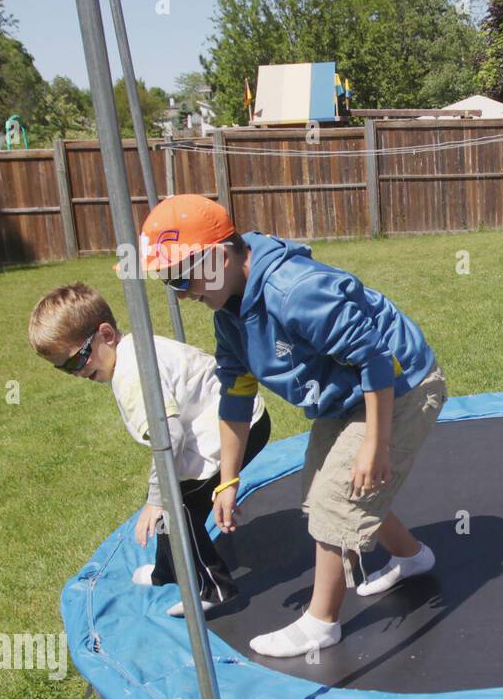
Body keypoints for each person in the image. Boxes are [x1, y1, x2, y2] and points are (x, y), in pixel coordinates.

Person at [138, 194, 446, 658]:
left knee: (338, 498)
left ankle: (321, 624)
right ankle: (411, 556)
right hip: (346, 397)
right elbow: (236, 396)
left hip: (402, 386)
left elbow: (374, 358)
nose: (180, 293)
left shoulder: (294, 290)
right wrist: (227, 480)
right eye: (168, 281)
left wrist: (376, 444)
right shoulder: (230, 314)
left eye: (181, 277)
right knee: (322, 490)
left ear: (218, 257)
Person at [28, 282, 269, 615]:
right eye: (64, 369)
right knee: (167, 496)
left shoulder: (132, 375)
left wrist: (158, 500)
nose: (77, 372)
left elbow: (169, 437)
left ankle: (216, 587)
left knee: (176, 507)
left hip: (237, 426)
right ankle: (168, 569)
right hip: (221, 421)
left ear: (106, 334)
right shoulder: (130, 351)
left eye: (78, 359)